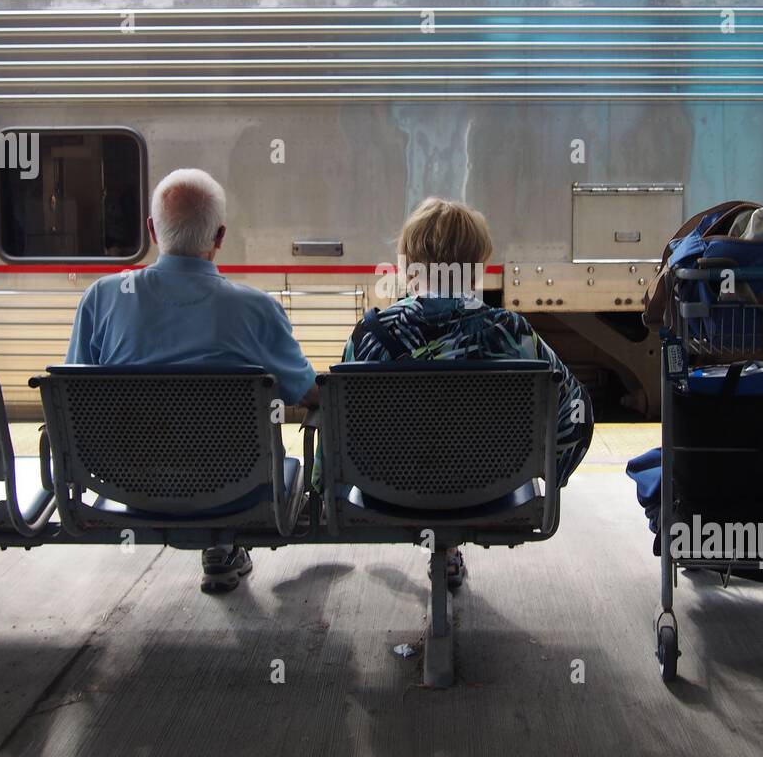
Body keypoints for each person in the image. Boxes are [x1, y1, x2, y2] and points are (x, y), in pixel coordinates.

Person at [65, 168, 317, 594]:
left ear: (151, 230)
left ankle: (220, 549)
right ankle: (220, 544)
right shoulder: (255, 310)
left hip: (128, 484)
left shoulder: (102, 299)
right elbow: (306, 393)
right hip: (234, 489)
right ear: (219, 236)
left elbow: (74, 400)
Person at [336, 197, 593, 590]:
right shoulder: (511, 332)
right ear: (476, 267)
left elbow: (339, 425)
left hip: (388, 489)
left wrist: (328, 490)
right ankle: (453, 542)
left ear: (409, 265)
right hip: (492, 488)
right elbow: (574, 409)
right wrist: (548, 472)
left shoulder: (369, 335)